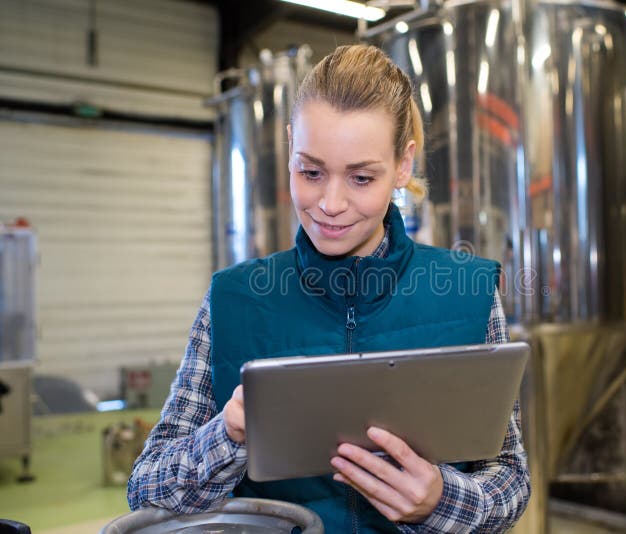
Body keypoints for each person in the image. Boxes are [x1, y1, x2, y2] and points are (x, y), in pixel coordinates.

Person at [127, 44, 531, 533]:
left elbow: (510, 479)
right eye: (310, 172)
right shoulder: (234, 300)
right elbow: (146, 489)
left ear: (403, 166)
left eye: (361, 178)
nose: (331, 203)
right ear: (291, 144)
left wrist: (441, 501)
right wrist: (229, 434)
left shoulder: (468, 292)